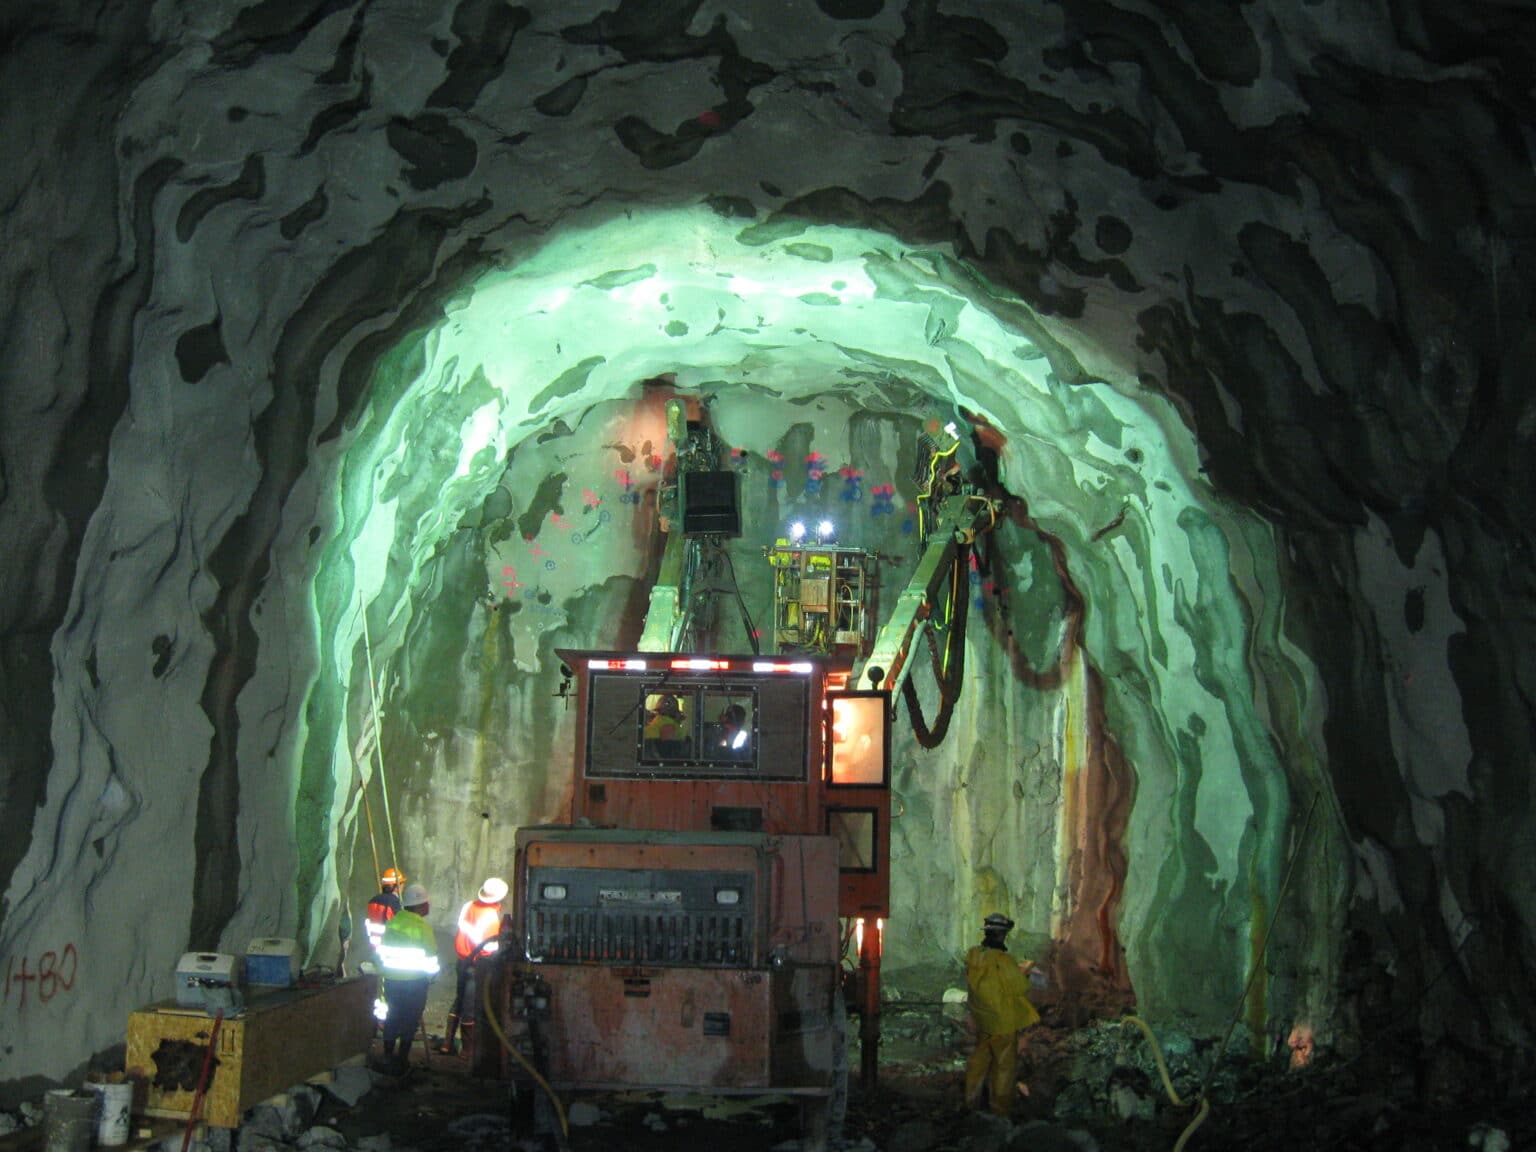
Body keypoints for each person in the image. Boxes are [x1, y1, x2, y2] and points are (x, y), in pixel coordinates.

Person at [964, 912, 1040, 1116]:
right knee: (1004, 1068)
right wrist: (1025, 973)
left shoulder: (973, 955)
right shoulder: (1003, 960)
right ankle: (1000, 1110)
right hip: (1003, 1022)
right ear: (1002, 935)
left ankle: (970, 1102)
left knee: (979, 1061)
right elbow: (1018, 987)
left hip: (983, 1019)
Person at [439, 877, 508, 1056]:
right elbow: (488, 947)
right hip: (476, 966)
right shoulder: (491, 917)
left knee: (459, 999)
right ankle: (467, 1050)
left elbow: (462, 930)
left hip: (461, 961)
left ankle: (447, 1044)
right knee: (470, 1006)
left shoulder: (468, 906)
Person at [377, 883, 440, 1074]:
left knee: (393, 1018)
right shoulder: (422, 927)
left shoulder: (393, 922)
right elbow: (430, 960)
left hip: (392, 981)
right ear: (421, 905)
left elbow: (382, 953)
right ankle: (402, 1061)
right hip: (414, 983)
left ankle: (388, 1057)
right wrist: (432, 976)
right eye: (426, 902)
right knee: (409, 1021)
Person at [365, 867, 405, 953]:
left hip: (374, 948)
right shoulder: (395, 903)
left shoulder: (372, 901)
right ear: (396, 886)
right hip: (389, 949)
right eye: (402, 884)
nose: (403, 886)